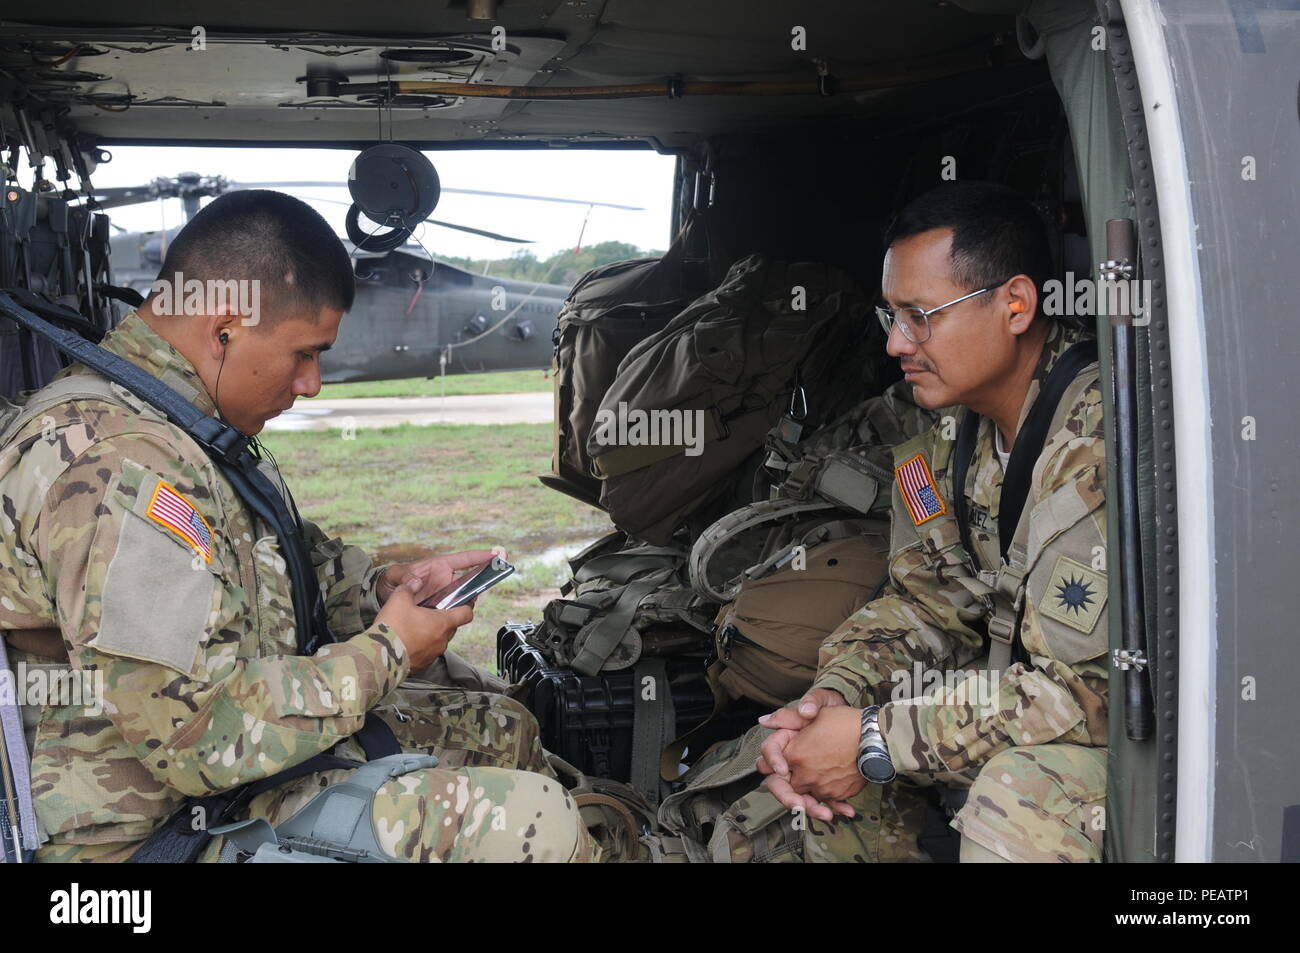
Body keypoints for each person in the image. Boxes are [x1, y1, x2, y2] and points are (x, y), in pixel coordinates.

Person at [0, 191, 597, 862]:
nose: (312, 384)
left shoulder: (176, 425)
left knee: (498, 723)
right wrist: (389, 651)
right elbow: (202, 733)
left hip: (220, 789)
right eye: (304, 354)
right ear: (225, 328)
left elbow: (266, 571)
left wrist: (381, 588)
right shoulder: (121, 463)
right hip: (152, 835)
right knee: (533, 820)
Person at [756, 181, 1109, 863]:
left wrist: (876, 740)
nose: (895, 343)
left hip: (1124, 745)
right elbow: (929, 601)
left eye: (920, 315)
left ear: (1015, 305)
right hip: (1018, 709)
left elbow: (1086, 693)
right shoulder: (948, 431)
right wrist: (835, 695)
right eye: (890, 315)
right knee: (808, 792)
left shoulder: (1094, 442)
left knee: (1017, 800)